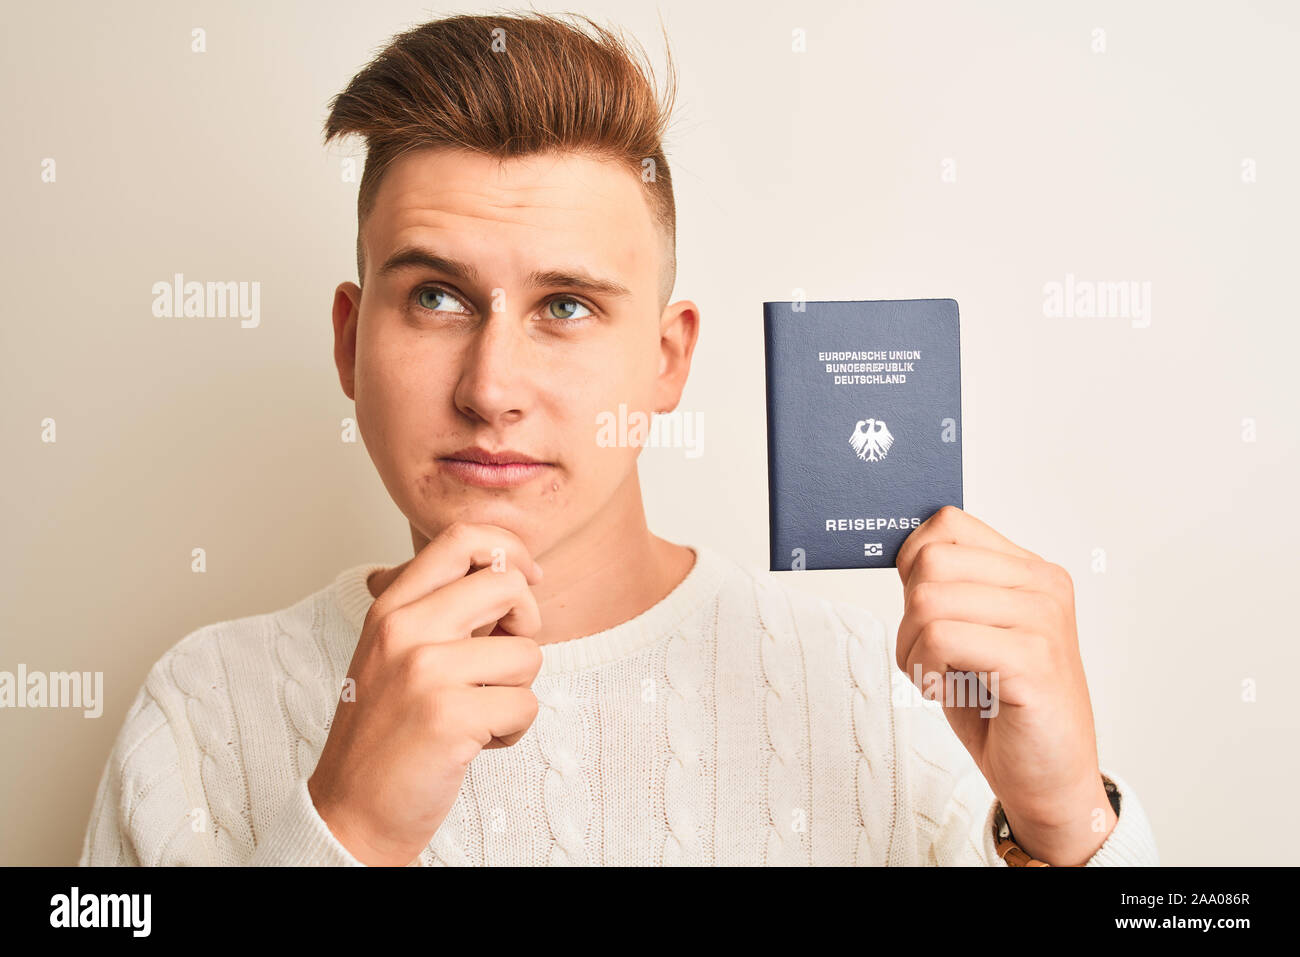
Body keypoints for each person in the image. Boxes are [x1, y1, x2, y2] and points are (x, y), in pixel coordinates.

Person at [79, 11, 1157, 867]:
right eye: (440, 298)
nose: (492, 389)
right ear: (351, 341)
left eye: (566, 307)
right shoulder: (201, 709)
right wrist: (346, 837)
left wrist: (1069, 828)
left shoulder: (887, 692)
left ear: (666, 360)